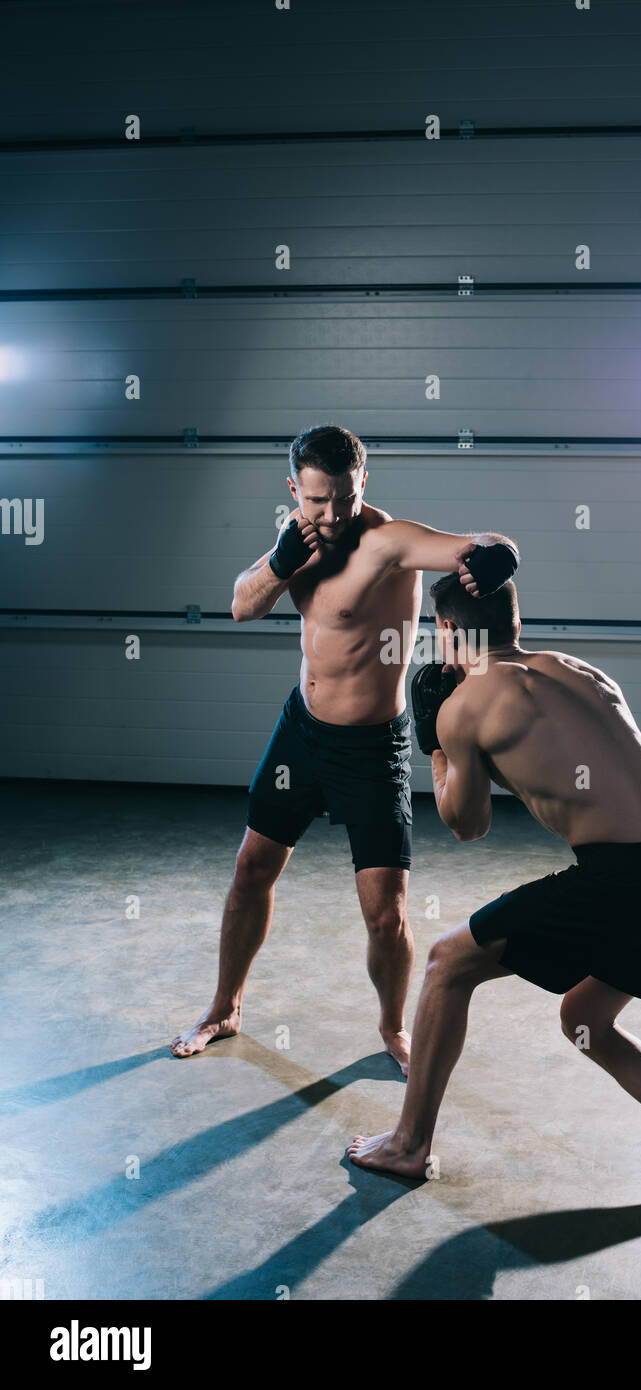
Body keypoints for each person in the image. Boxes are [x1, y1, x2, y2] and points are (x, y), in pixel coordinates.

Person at [348, 573, 641, 1189]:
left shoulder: (465, 707)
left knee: (446, 964)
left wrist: (435, 740)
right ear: (515, 619)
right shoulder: (579, 670)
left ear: (447, 629)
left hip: (621, 880)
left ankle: (408, 1145)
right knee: (587, 1020)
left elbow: (466, 824)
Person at [170, 425, 518, 1074]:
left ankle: (392, 1027)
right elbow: (242, 607)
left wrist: (491, 554)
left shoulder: (386, 542)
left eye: (343, 499)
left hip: (370, 751)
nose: (330, 515)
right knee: (251, 871)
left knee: (386, 917)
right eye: (315, 501)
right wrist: (277, 562)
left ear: (364, 482)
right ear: (294, 489)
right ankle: (224, 1007)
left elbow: (476, 545)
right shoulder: (296, 539)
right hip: (300, 735)